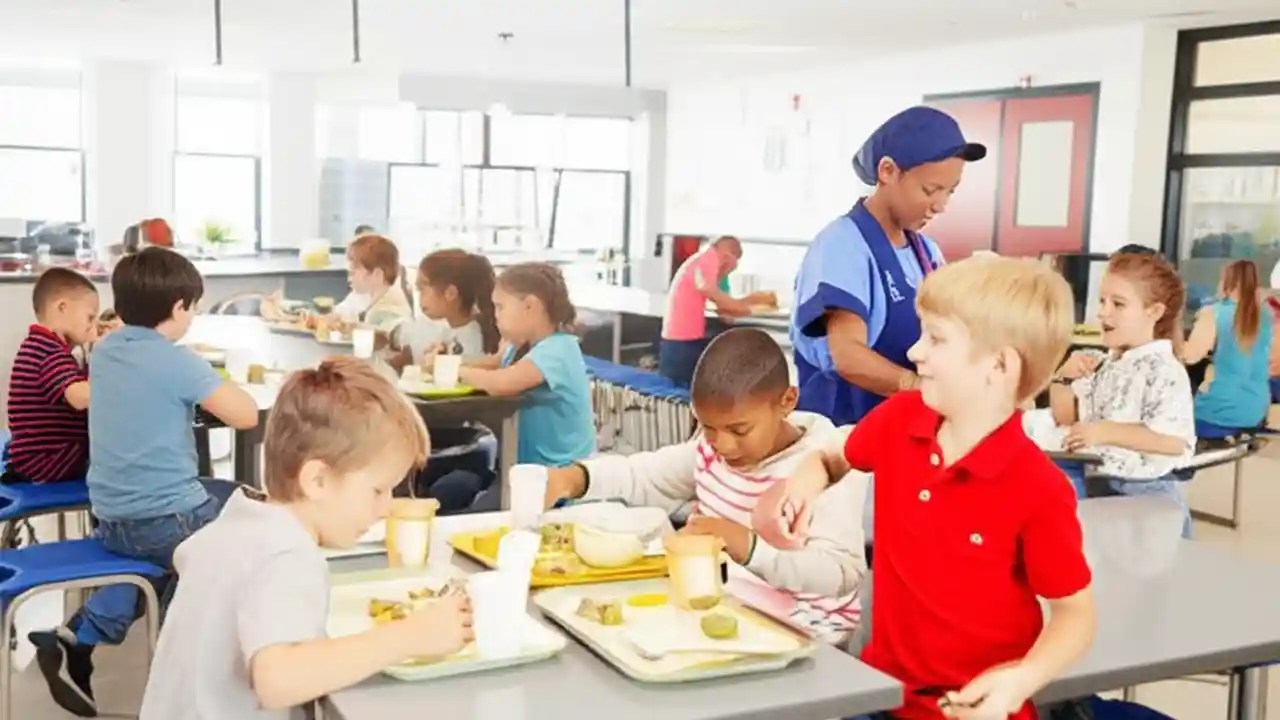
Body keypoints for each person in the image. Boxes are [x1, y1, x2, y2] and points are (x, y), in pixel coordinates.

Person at [760, 256, 1096, 720]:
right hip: (879, 697)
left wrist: (1020, 682)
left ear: (998, 366)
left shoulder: (1039, 489)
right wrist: (803, 485)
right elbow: (832, 455)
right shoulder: (901, 420)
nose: (915, 353)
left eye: (936, 339)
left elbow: (1075, 615)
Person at [139, 358, 472, 719]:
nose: (386, 508)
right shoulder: (287, 554)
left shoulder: (243, 519)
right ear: (317, 481)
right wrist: (409, 636)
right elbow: (278, 680)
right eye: (378, 490)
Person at [28, 247, 261, 717]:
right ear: (178, 308)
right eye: (192, 307)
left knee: (207, 514)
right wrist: (202, 375)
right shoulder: (179, 361)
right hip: (164, 519)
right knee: (252, 518)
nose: (192, 317)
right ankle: (200, 655)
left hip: (112, 516)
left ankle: (82, 634)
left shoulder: (105, 350)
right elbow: (246, 414)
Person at [540, 328, 867, 642]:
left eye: (739, 430)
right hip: (730, 604)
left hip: (810, 626)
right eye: (708, 427)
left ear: (787, 400)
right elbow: (644, 475)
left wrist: (746, 546)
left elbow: (841, 574)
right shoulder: (709, 451)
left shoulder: (822, 468)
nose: (722, 445)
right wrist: (576, 478)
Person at [791, 106, 986, 426]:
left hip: (904, 430)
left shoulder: (928, 253)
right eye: (930, 190)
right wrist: (921, 389)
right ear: (887, 171)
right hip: (844, 434)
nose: (940, 205)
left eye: (950, 192)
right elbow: (849, 356)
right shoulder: (843, 245)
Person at [1050, 252, 1195, 535]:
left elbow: (1174, 443)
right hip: (1101, 481)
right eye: (1102, 301)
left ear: (1154, 312)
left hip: (1144, 493)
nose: (1103, 312)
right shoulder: (1105, 362)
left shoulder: (1164, 370)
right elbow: (1067, 419)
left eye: (1118, 304)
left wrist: (1105, 431)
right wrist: (1062, 379)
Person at [459, 263, 594, 467]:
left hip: (560, 474)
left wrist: (455, 371)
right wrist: (442, 363)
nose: (495, 314)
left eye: (501, 307)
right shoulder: (521, 346)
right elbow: (492, 364)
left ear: (530, 306)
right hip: (525, 466)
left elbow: (501, 383)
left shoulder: (557, 350)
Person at [3, 268, 99, 484]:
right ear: (62, 308)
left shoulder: (38, 345)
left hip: (35, 458)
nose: (92, 326)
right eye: (90, 317)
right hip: (50, 461)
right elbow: (81, 398)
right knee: (121, 459)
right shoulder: (48, 351)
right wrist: (106, 358)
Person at [659, 235, 774, 387]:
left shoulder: (701, 260)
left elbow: (718, 300)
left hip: (682, 337)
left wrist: (742, 304)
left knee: (680, 390)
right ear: (730, 254)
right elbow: (709, 290)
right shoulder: (709, 258)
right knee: (680, 393)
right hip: (682, 341)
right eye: (736, 262)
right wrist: (745, 309)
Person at [1183, 260, 1275, 438]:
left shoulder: (1213, 313)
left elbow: (1191, 356)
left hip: (1219, 413)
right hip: (1257, 411)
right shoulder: (1266, 315)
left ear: (1227, 282)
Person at [388, 248, 499, 373]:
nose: (420, 297)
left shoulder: (475, 336)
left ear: (450, 293)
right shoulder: (448, 329)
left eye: (423, 289)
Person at [333, 234, 412, 328]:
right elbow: (338, 313)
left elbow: (389, 334)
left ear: (377, 274)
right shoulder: (364, 295)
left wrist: (355, 327)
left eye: (354, 270)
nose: (349, 277)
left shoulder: (391, 310)